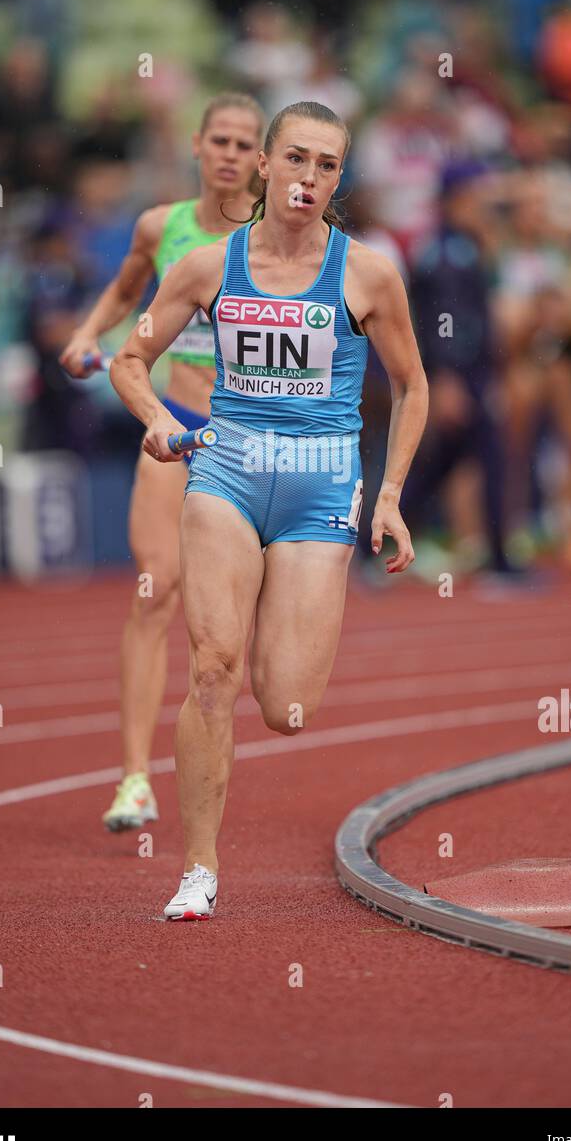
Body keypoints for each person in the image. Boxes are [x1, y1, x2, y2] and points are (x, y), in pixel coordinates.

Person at [110, 100, 428, 919]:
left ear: (338, 178)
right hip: (227, 474)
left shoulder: (368, 274)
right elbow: (131, 358)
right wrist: (157, 421)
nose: (308, 177)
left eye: (326, 165)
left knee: (286, 706)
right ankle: (198, 869)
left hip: (320, 485)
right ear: (264, 165)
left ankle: (271, 638)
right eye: (295, 158)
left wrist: (390, 496)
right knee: (211, 671)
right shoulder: (208, 266)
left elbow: (412, 386)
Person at [60, 92, 263, 830]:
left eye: (244, 144)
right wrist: (87, 334)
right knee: (154, 592)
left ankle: (219, 755)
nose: (230, 154)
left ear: (261, 159)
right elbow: (125, 289)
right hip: (174, 423)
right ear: (197, 146)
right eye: (220, 140)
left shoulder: (278, 233)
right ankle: (135, 779)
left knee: (246, 625)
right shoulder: (161, 226)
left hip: (252, 437)